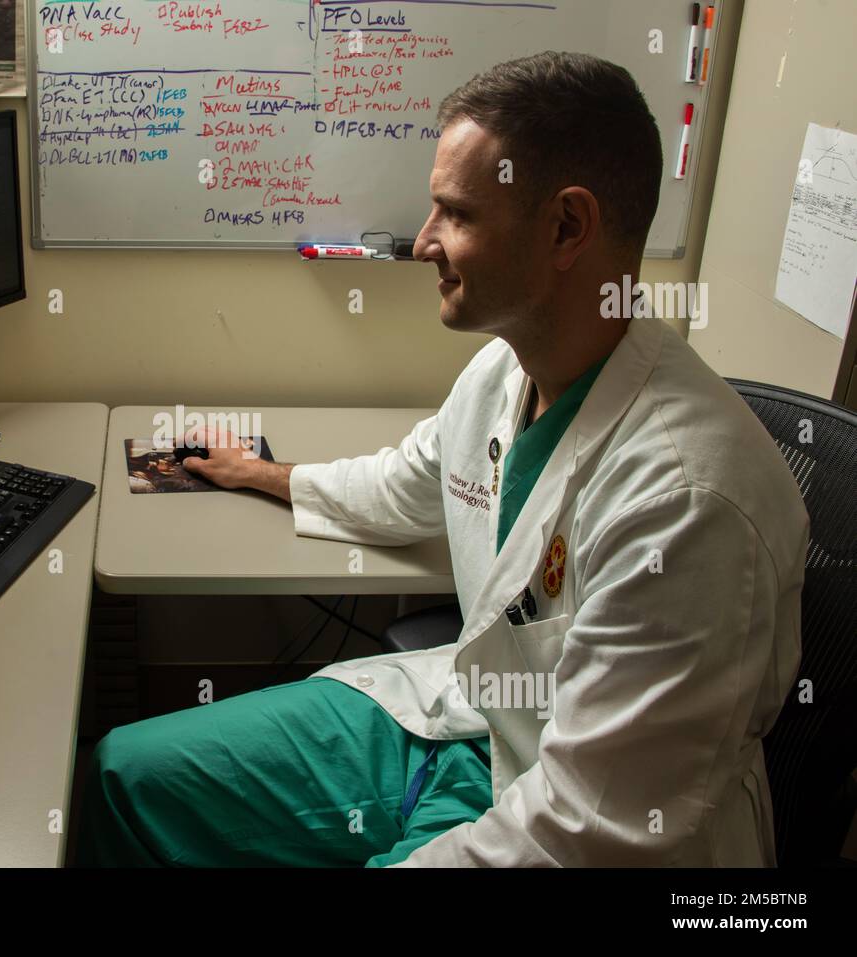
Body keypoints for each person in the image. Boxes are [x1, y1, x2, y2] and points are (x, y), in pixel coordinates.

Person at [76, 52, 809, 867]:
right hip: (467, 725)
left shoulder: (688, 503)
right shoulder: (509, 369)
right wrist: (261, 473)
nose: (424, 241)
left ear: (568, 227)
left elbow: (583, 830)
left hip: (566, 816)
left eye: (455, 214)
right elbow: (407, 483)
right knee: (125, 775)